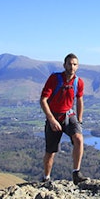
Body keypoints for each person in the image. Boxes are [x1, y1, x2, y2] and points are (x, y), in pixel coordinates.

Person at [39, 53, 86, 185]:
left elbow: (79, 100)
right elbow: (43, 100)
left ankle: (76, 172)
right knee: (50, 152)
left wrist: (79, 120)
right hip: (54, 116)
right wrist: (52, 120)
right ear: (64, 65)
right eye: (70, 64)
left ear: (78, 66)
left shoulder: (78, 82)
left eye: (75, 64)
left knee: (79, 139)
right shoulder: (54, 79)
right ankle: (46, 178)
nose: (72, 67)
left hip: (68, 115)